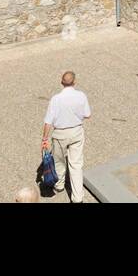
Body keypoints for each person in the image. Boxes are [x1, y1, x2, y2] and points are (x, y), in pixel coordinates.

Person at [41, 70, 91, 203]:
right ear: (74, 82)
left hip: (60, 134)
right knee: (76, 164)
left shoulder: (56, 99)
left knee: (59, 161)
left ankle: (59, 185)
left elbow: (48, 122)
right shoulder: (81, 96)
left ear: (61, 82)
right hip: (76, 132)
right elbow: (87, 114)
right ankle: (78, 197)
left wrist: (44, 139)